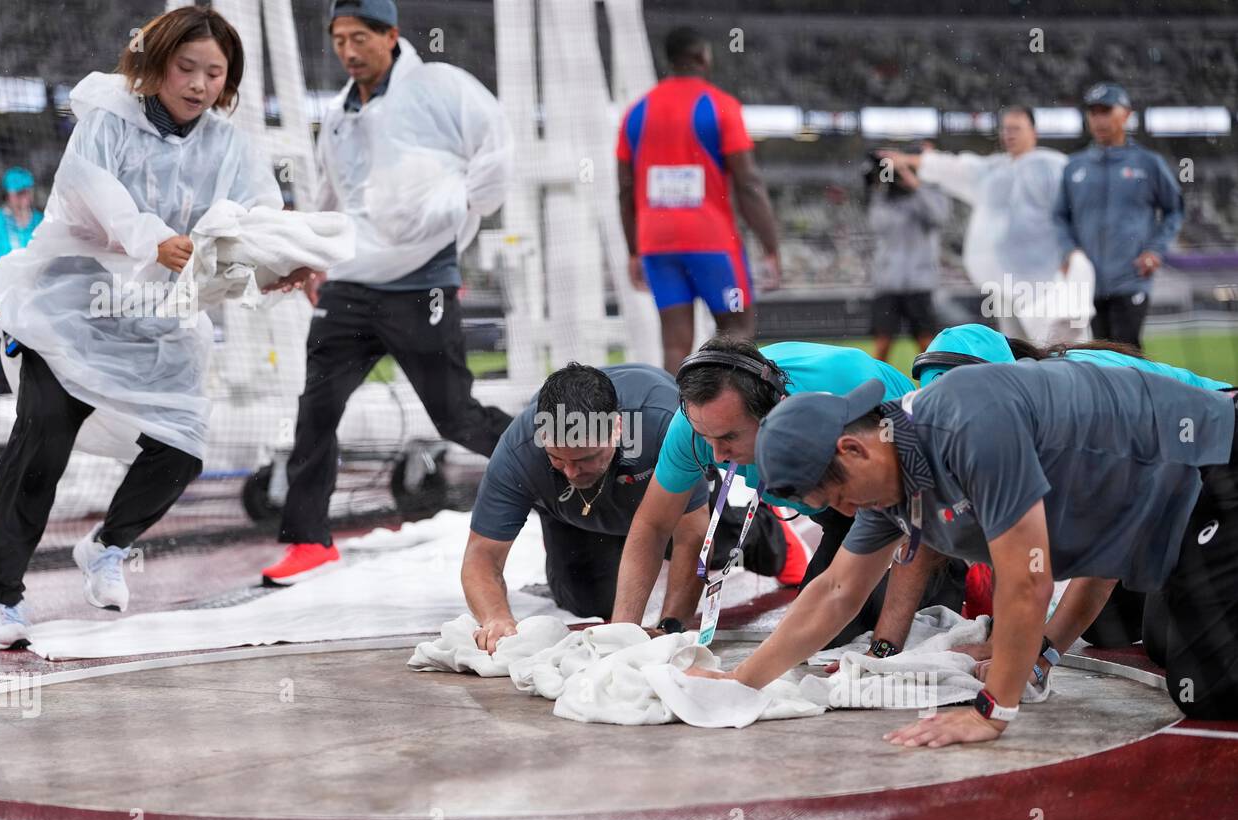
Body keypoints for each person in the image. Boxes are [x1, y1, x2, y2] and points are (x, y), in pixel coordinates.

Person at [699, 361, 1237, 745]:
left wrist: (993, 710)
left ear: (853, 448)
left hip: (1215, 464)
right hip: (1168, 517)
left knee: (1210, 690)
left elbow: (1028, 579)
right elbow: (837, 589)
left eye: (840, 496)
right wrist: (742, 681)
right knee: (1169, 646)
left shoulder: (969, 425)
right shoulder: (890, 476)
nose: (847, 509)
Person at [0, 5, 284, 649]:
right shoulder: (104, 124)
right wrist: (154, 238)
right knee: (42, 438)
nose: (199, 84)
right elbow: (98, 195)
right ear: (157, 63)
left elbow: (261, 214)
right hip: (66, 301)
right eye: (186, 67)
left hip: (155, 315)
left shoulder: (228, 145)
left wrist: (279, 261)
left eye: (214, 73)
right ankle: (4, 597)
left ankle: (108, 547)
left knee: (181, 447)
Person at [262, 0, 514, 586]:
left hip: (420, 283)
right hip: (349, 285)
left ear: (392, 35)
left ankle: (562, 461)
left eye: (360, 38)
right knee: (315, 411)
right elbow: (330, 195)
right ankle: (307, 540)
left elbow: (496, 153)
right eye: (339, 39)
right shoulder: (341, 115)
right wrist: (304, 259)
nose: (349, 51)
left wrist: (454, 211)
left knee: (455, 416)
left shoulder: (438, 87)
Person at [610, 334, 965, 646]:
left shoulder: (849, 385)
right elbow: (653, 525)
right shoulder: (694, 424)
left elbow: (921, 497)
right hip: (827, 492)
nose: (717, 454)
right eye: (707, 439)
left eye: (730, 437)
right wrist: (621, 636)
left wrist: (886, 645)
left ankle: (954, 568)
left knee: (862, 614)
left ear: (773, 412)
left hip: (895, 490)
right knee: (824, 630)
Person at [912, 322, 1230, 656]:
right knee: (1109, 623)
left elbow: (1101, 552)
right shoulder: (1019, 407)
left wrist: (1035, 654)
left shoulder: (1072, 414)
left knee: (1177, 650)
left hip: (1218, 467)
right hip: (1172, 486)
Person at [463, 363, 729, 650]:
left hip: (660, 494)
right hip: (575, 513)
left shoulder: (662, 423)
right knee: (587, 599)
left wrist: (670, 627)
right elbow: (481, 556)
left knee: (723, 545)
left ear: (616, 428)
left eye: (585, 458)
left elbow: (692, 536)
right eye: (557, 458)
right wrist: (496, 618)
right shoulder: (519, 450)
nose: (571, 472)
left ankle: (764, 535)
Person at [616, 26, 780, 375]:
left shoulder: (635, 112)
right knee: (736, 331)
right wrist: (770, 245)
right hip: (712, 243)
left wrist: (633, 249)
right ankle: (730, 422)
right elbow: (748, 183)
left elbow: (625, 188)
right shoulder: (721, 107)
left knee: (675, 342)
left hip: (657, 244)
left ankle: (676, 423)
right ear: (703, 56)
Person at [880, 107, 1092, 345]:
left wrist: (1072, 253)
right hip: (1006, 280)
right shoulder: (994, 171)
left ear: (1033, 132)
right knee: (1017, 351)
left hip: (1044, 277)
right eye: (1005, 129)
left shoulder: (1052, 166)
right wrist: (906, 160)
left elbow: (1080, 209)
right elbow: (954, 167)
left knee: (1061, 349)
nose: (1009, 134)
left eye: (1016, 129)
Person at [1054, 82, 1184, 349]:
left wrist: (1155, 250)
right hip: (1086, 283)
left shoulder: (1148, 164)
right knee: (1094, 358)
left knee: (1126, 354)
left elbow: (1174, 209)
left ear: (1125, 114)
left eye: (1106, 110)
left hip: (1130, 279)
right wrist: (1069, 251)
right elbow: (1059, 217)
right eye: (1093, 112)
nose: (1099, 119)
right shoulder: (1074, 166)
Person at [864, 148, 949, 362]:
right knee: (882, 344)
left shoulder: (929, 191)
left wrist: (914, 185)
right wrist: (879, 185)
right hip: (888, 283)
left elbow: (939, 217)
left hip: (919, 282)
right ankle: (879, 389)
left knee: (927, 344)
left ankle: (932, 387)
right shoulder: (883, 199)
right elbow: (877, 225)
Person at [0, 167, 43, 272]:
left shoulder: (41, 221)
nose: (24, 197)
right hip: (1, 285)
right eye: (19, 193)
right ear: (6, 194)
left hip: (38, 285)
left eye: (27, 191)